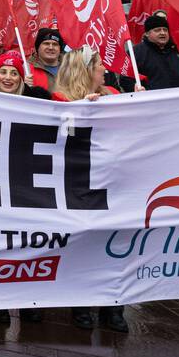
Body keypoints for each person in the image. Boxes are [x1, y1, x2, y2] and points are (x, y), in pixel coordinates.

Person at [54, 46, 127, 333]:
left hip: (114, 182)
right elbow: (60, 139)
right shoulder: (60, 100)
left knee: (117, 246)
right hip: (80, 185)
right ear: (85, 70)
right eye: (98, 65)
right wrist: (82, 111)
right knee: (84, 246)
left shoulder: (116, 95)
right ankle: (82, 304)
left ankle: (115, 306)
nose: (105, 70)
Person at [0, 50, 48, 327]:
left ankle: (28, 301)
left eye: (14, 73)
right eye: (4, 72)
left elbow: (71, 109)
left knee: (27, 247)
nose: (8, 78)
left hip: (25, 184)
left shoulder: (37, 100)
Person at [132, 14, 179, 90]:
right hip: (152, 99)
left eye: (165, 30)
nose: (163, 33)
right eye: (157, 30)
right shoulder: (136, 53)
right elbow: (127, 79)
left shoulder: (178, 49)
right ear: (147, 33)